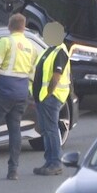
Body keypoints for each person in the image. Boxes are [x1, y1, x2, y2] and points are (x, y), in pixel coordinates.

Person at [0, 13, 41, 181]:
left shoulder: (5, 43)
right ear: (24, 27)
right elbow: (32, 73)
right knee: (15, 129)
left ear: (10, 27)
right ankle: (13, 170)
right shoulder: (30, 47)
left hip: (2, 90)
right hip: (21, 92)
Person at [31, 22, 71, 176]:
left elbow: (56, 75)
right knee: (47, 130)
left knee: (51, 129)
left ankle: (55, 162)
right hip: (43, 97)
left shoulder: (60, 51)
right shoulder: (49, 50)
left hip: (52, 97)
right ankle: (49, 162)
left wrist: (49, 93)